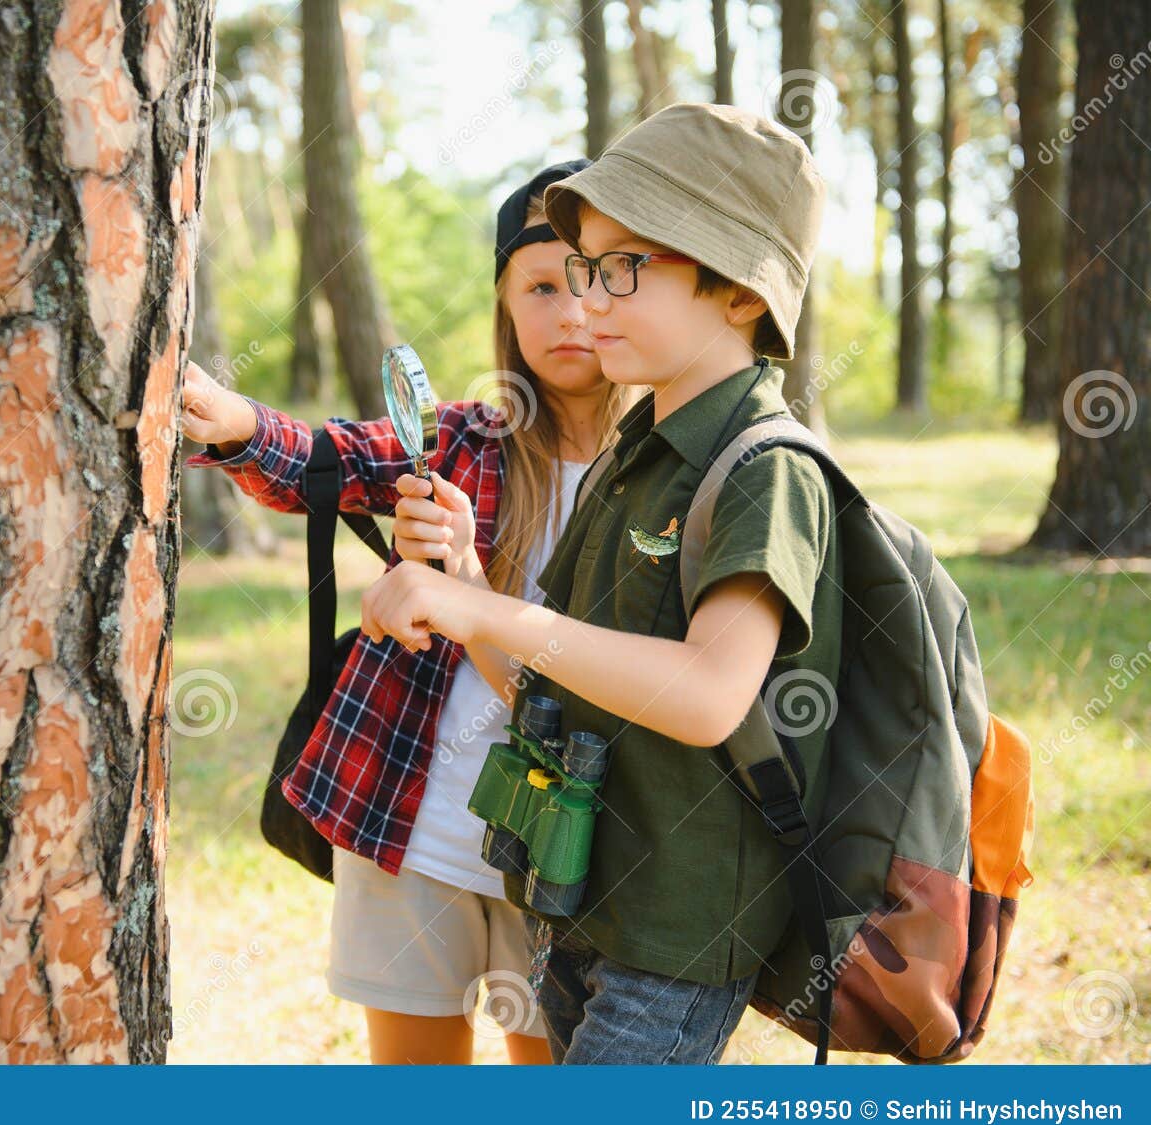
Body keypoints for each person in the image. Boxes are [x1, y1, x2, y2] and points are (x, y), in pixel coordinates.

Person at [357, 103, 839, 1065]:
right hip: (581, 901)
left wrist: (481, 605)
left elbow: (707, 694)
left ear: (742, 289)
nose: (588, 301)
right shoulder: (636, 455)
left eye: (625, 268)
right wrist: (460, 581)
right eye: (582, 268)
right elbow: (546, 683)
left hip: (676, 933)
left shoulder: (763, 467)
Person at [180, 160, 641, 1064]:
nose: (570, 312)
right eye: (539, 286)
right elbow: (321, 460)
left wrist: (466, 579)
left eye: (591, 280)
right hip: (409, 822)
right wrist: (231, 418)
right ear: (506, 306)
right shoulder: (464, 437)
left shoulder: (666, 471)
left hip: (569, 849)